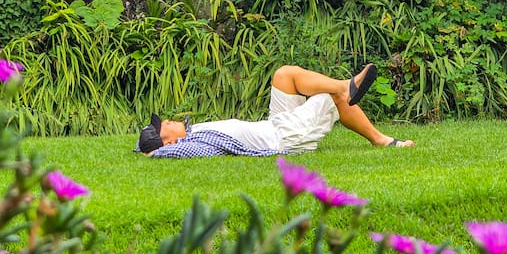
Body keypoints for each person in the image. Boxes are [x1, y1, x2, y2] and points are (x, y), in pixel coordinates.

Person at [137, 63, 415, 158]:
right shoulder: (191, 144)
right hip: (285, 137)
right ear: (169, 141)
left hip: (274, 124)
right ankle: (381, 139)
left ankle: (345, 86)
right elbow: (167, 152)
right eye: (166, 125)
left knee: (284, 75)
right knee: (330, 97)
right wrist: (153, 151)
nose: (171, 120)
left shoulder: (193, 132)